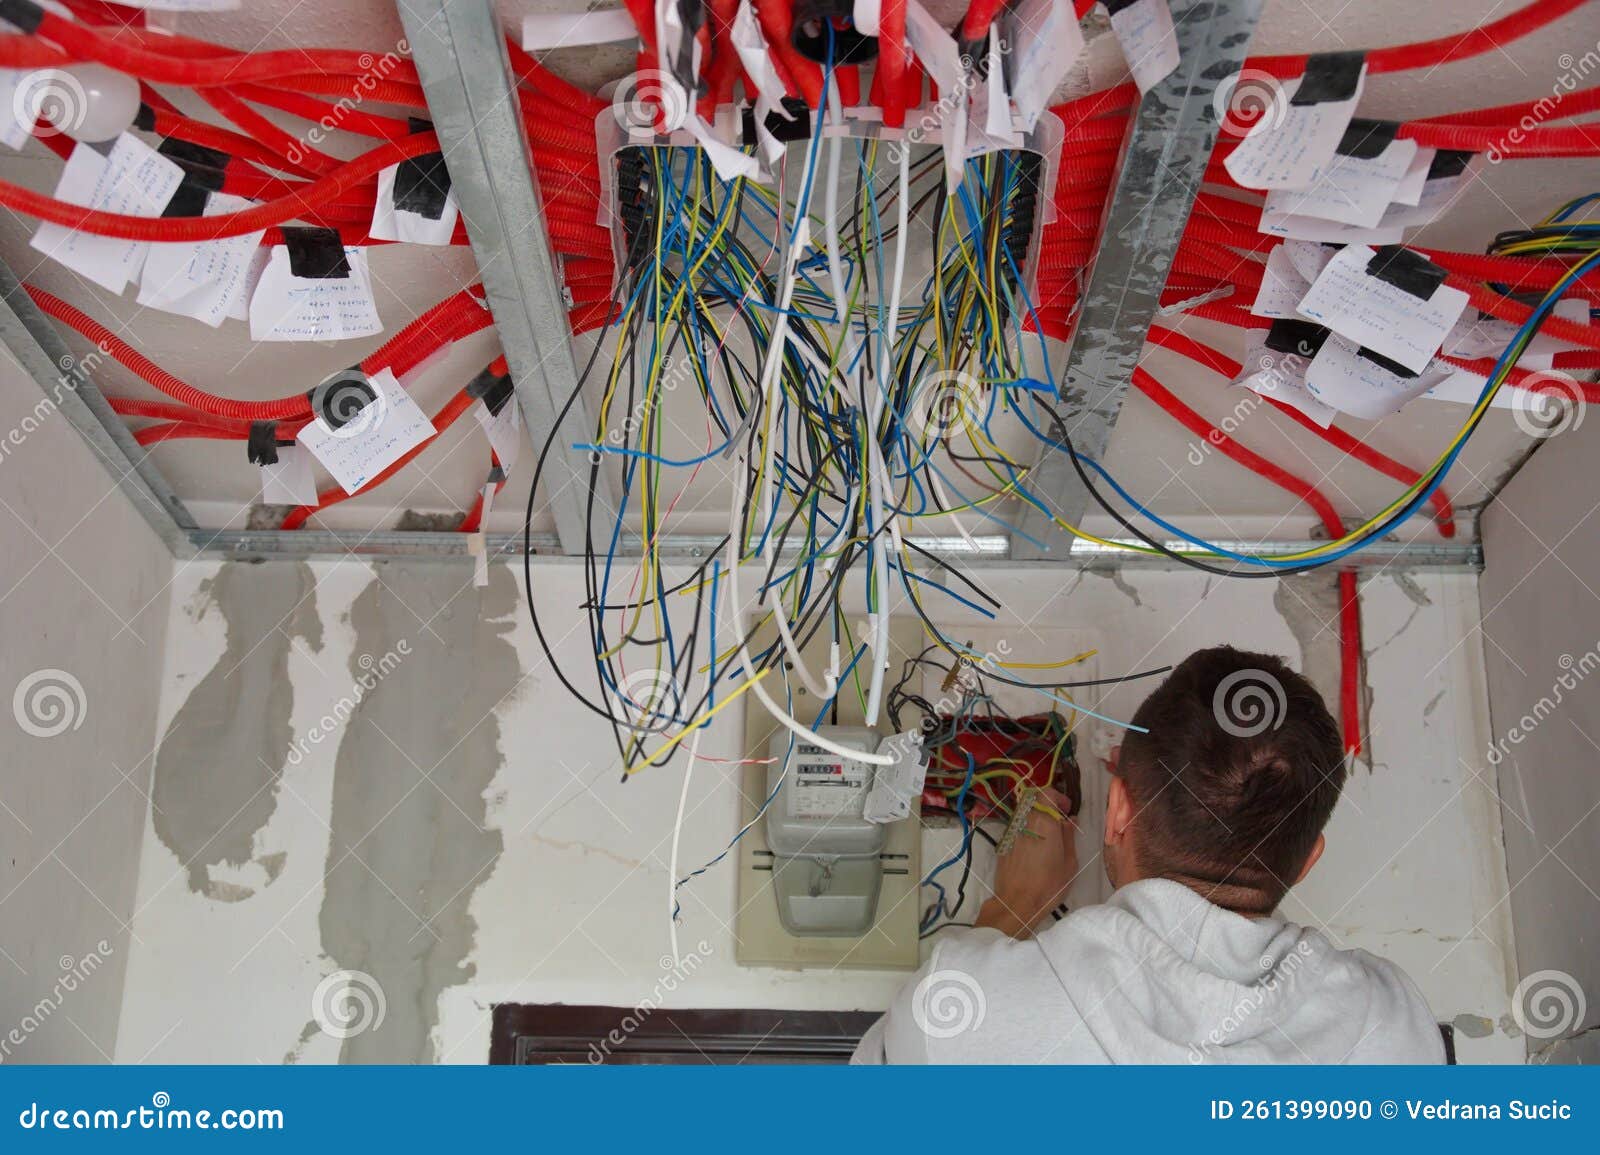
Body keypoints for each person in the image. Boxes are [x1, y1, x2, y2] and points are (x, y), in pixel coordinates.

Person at [853, 645, 1445, 1064]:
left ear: (1117, 811)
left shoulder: (964, 1017)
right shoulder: (1389, 1026)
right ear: (1308, 858)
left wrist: (1011, 908)